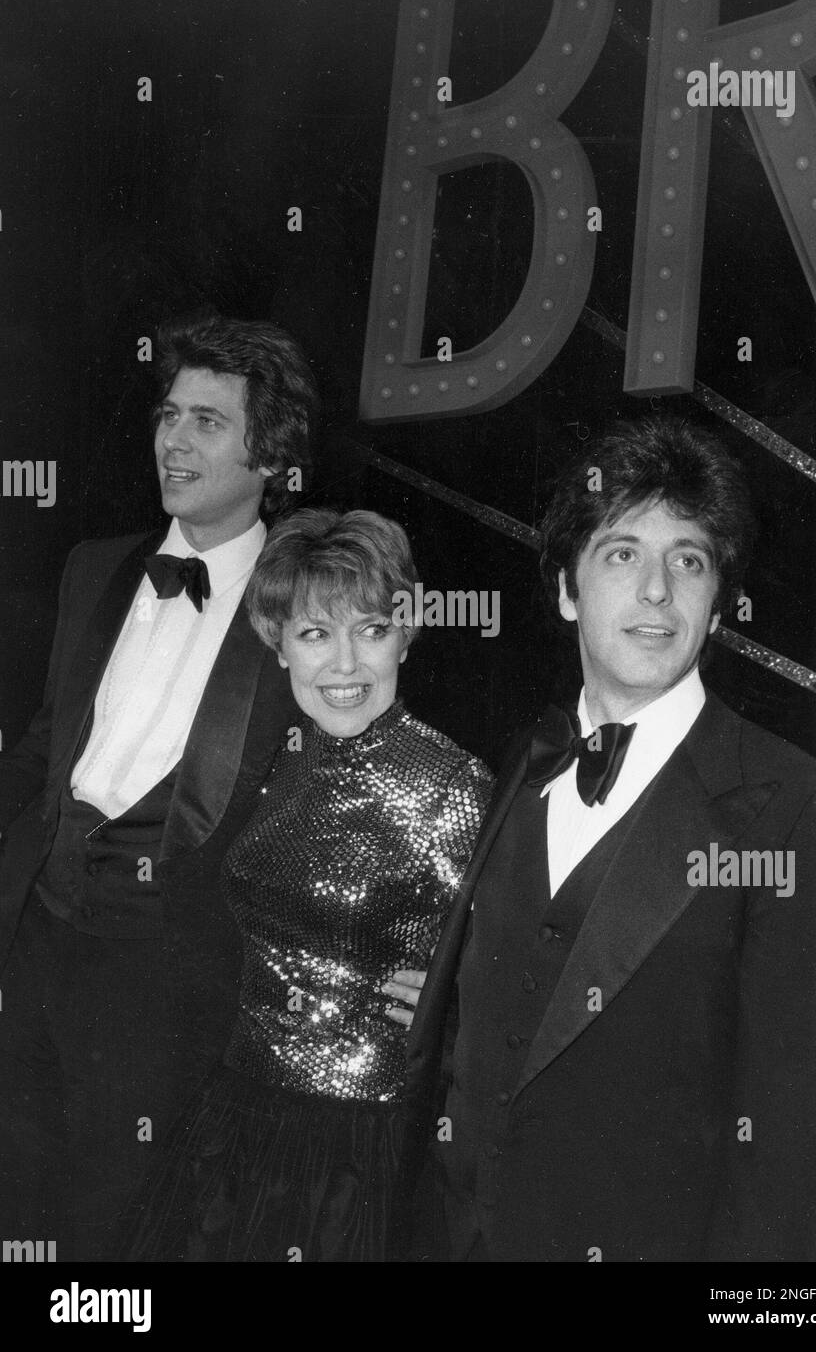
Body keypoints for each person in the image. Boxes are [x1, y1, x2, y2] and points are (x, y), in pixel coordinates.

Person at [406, 415, 816, 1263]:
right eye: (622, 554)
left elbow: (788, 1159)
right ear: (565, 591)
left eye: (687, 561)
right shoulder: (521, 761)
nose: (657, 590)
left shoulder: (804, 812)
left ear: (717, 603)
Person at [0, 310, 321, 1261]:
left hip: (173, 980)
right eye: (168, 415)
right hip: (35, 940)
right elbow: (46, 747)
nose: (174, 441)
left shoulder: (307, 602)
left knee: (124, 1230)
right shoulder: (94, 566)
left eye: (207, 423)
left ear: (269, 454)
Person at [119, 508, 492, 1262]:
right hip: (237, 1113)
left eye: (372, 630)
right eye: (316, 634)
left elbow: (515, 972)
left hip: (361, 1145)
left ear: (407, 633)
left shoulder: (453, 785)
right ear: (277, 641)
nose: (346, 665)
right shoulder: (271, 759)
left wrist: (457, 999)